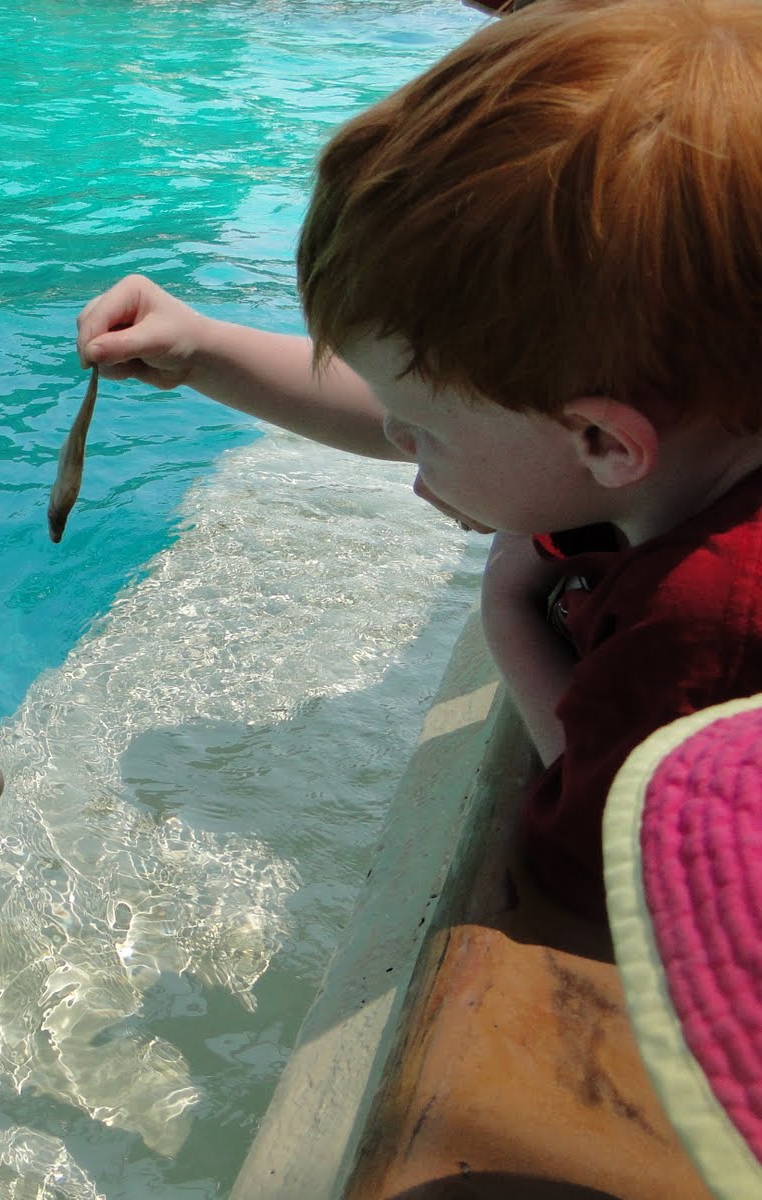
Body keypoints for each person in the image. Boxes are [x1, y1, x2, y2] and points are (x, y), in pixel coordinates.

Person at [75, 0, 762, 918]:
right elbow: (465, 416)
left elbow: (617, 870)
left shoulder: (701, 627)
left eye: (421, 430)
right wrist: (202, 349)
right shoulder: (699, 411)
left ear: (601, 442)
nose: (398, 442)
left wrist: (509, 605)